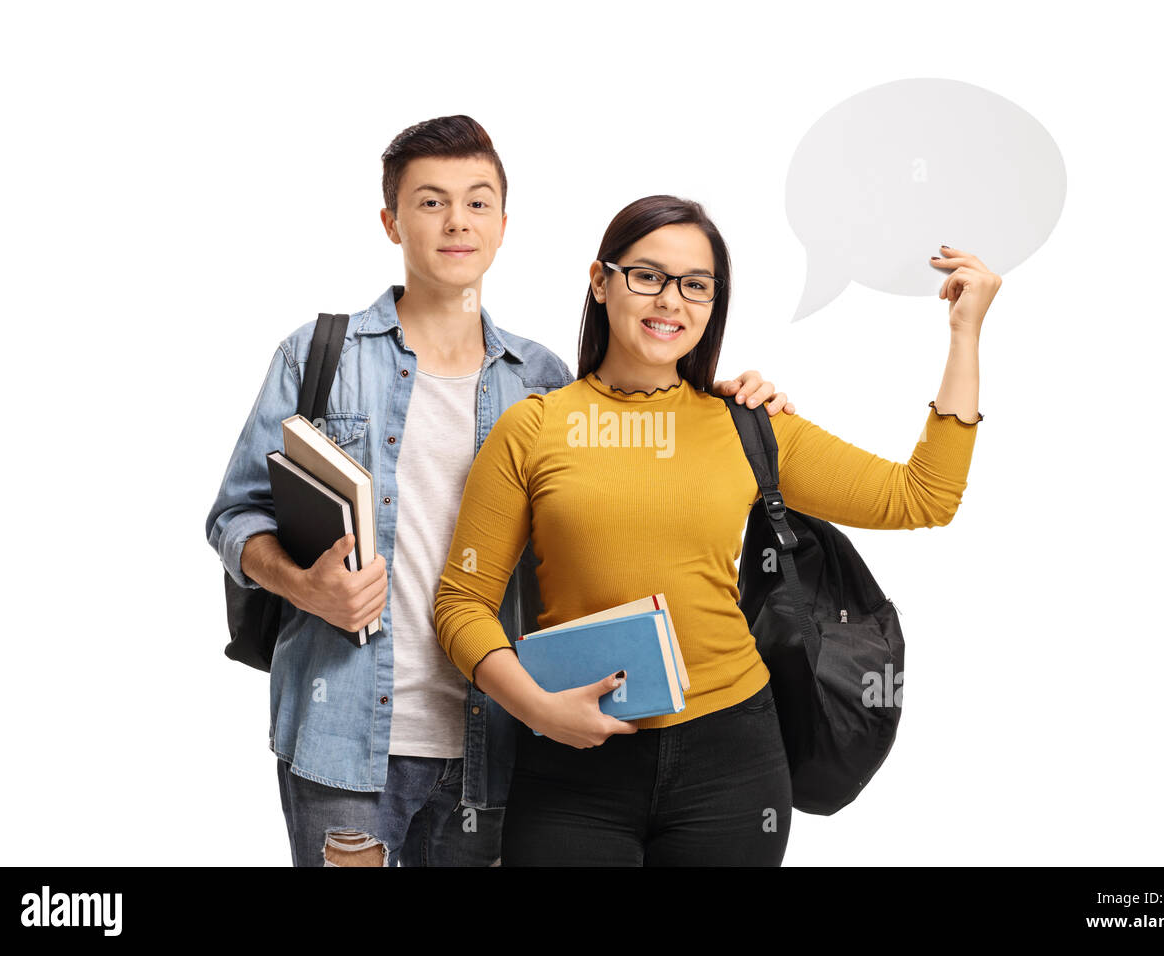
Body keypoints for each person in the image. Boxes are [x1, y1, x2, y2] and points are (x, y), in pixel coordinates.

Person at [204, 116, 797, 867]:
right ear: (391, 221)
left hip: (501, 743)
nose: (458, 221)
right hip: (344, 744)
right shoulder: (321, 356)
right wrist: (301, 584)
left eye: (478, 202)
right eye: (430, 202)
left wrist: (728, 405)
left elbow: (641, 448)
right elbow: (235, 515)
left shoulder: (541, 381)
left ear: (504, 226)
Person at [433, 195, 999, 866]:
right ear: (600, 280)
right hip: (571, 765)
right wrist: (536, 709)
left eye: (695, 285)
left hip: (732, 761)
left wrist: (965, 336)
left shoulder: (746, 422)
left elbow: (922, 497)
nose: (671, 300)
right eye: (647, 275)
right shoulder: (533, 427)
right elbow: (461, 604)